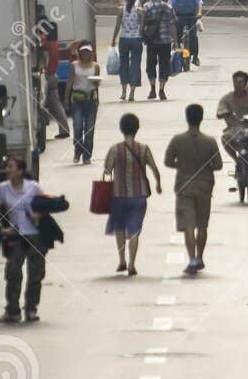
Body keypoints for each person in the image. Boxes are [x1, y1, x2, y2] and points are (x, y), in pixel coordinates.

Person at [163, 104, 223, 277]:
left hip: (185, 187)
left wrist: (181, 165)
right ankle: (200, 256)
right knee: (202, 226)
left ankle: (192, 260)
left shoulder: (178, 140)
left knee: (189, 225)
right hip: (205, 187)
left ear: (187, 118)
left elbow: (168, 161)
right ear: (201, 118)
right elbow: (218, 165)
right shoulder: (210, 141)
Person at [102, 112, 161, 277]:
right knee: (134, 230)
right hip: (139, 196)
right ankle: (132, 264)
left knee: (119, 228)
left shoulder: (115, 149)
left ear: (121, 129)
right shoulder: (143, 149)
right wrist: (158, 184)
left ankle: (121, 260)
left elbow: (107, 171)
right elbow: (154, 168)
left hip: (119, 196)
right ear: (137, 129)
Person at [0, 154, 47, 324]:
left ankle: (31, 309)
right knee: (13, 273)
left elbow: (46, 204)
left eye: (11, 167)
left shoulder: (33, 187)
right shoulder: (3, 188)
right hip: (15, 236)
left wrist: (37, 216)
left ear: (20, 171)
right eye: (7, 167)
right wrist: (1, 228)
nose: (7, 170)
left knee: (35, 275)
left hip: (35, 236)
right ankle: (13, 311)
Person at [36, 4, 70, 140]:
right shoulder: (53, 40)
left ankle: (41, 128)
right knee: (56, 104)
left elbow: (39, 52)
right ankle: (64, 129)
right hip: (53, 75)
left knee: (41, 104)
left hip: (45, 76)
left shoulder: (44, 43)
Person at [141, 0, 177, 101]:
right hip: (165, 40)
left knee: (151, 64)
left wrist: (142, 36)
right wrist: (175, 41)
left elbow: (142, 24)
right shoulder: (168, 7)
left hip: (151, 40)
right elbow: (172, 25)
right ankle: (161, 89)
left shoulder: (146, 6)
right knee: (164, 65)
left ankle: (152, 88)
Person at [66, 41, 101, 163]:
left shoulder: (95, 67)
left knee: (89, 130)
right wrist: (66, 99)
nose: (86, 54)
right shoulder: (74, 65)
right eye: (83, 52)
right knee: (77, 127)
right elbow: (70, 82)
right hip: (77, 100)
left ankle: (87, 156)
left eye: (88, 52)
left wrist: (97, 99)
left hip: (91, 100)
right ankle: (78, 150)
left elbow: (96, 85)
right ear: (80, 53)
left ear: (91, 53)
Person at [114, 0, 144, 102]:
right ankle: (132, 92)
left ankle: (123, 92)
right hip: (136, 39)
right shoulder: (140, 11)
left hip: (124, 39)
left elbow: (117, 26)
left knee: (124, 65)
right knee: (135, 65)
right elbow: (141, 27)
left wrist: (113, 39)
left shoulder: (121, 10)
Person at [168, 0, 203, 66]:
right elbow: (170, 4)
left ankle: (195, 57)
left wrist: (199, 13)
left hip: (191, 16)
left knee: (193, 37)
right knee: (178, 33)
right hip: (179, 16)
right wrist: (170, 12)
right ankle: (177, 48)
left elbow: (199, 3)